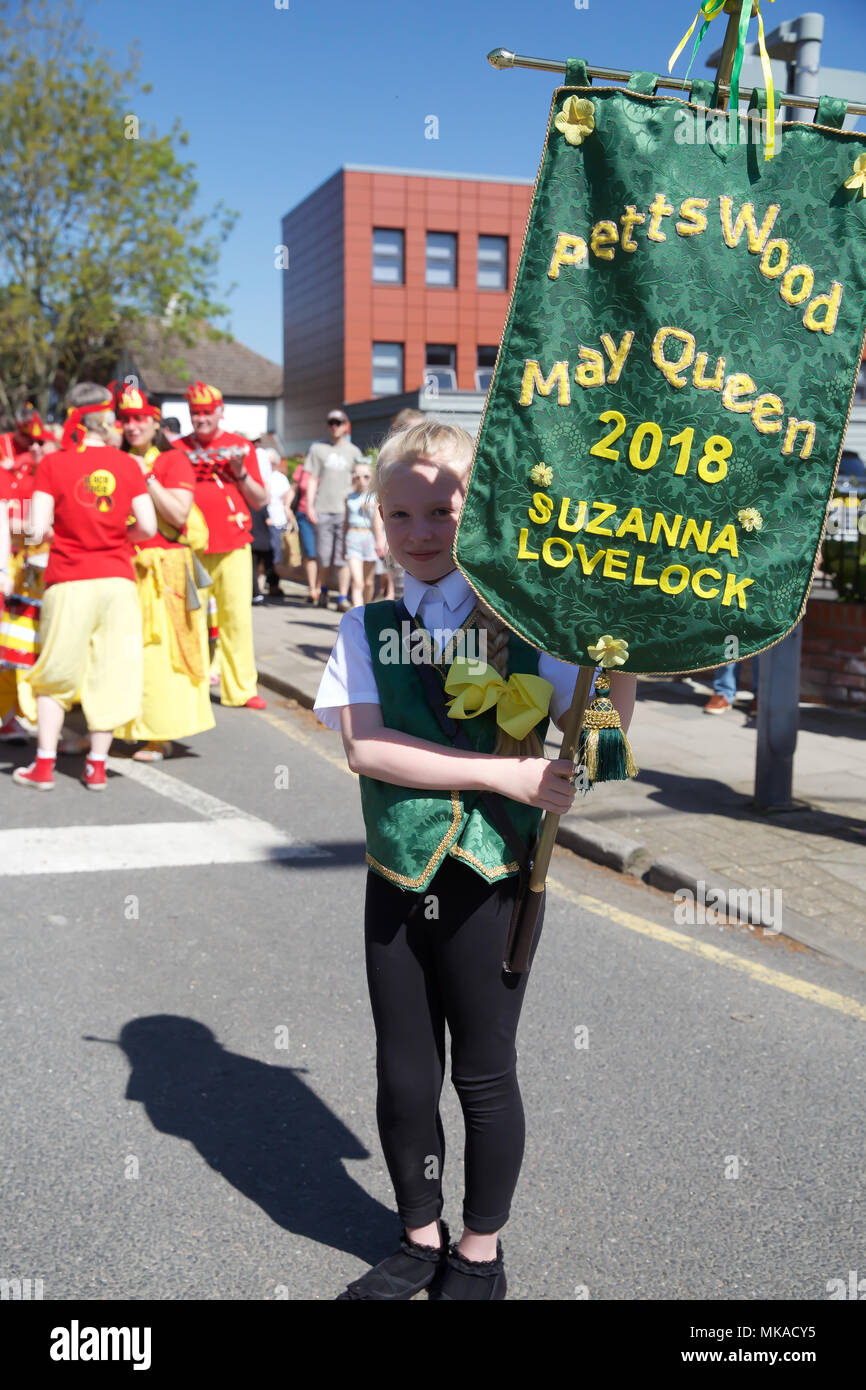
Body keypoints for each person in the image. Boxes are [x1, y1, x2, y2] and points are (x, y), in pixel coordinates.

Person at [313, 420, 636, 1300]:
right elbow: (367, 752)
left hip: (495, 885)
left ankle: (480, 1250)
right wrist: (509, 772)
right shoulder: (364, 625)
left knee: (485, 1075)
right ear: (378, 520)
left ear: (484, 510)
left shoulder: (535, 627)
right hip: (396, 881)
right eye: (400, 513)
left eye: (444, 510)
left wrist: (620, 653)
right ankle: (419, 1236)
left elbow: (605, 743)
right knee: (404, 1070)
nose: (421, 532)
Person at [12, 383, 157, 792]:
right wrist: (116, 540)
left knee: (56, 670)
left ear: (73, 416)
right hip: (117, 581)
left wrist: (29, 531)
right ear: (108, 418)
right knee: (112, 671)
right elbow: (146, 526)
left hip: (69, 578)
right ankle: (96, 765)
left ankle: (43, 767)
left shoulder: (54, 464)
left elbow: (37, 529)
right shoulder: (128, 465)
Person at [114, 383, 215, 761]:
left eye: (139, 419)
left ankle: (161, 734)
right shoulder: (116, 456)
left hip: (167, 569)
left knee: (163, 654)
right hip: (125, 565)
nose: (132, 426)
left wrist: (147, 476)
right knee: (123, 651)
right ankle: (120, 727)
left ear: (155, 423)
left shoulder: (173, 461)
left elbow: (176, 514)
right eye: (126, 419)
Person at [175, 382, 268, 709]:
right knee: (190, 620)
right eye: (195, 412)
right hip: (189, 549)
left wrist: (240, 471)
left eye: (206, 412)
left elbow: (261, 500)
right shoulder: (175, 449)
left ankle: (241, 689)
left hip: (233, 545)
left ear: (220, 412)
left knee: (237, 620)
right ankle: (192, 687)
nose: (200, 419)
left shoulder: (241, 446)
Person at [0, 405, 55, 741]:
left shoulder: (45, 468)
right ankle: (19, 713)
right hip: (11, 561)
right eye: (27, 440)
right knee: (15, 642)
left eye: (40, 442)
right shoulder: (7, 465)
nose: (33, 447)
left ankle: (16, 713)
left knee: (24, 642)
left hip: (33, 561)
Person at [305, 409, 365, 612]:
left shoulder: (354, 451)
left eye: (338, 422)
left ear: (345, 425)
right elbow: (312, 479)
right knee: (323, 555)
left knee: (343, 556)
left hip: (345, 511)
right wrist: (310, 505)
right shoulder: (318, 449)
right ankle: (322, 590)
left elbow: (361, 479)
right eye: (331, 422)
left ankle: (341, 597)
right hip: (323, 508)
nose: (334, 426)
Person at [343, 461, 377, 608]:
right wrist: (341, 546)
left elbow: (378, 522)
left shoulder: (375, 497)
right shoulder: (349, 497)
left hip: (369, 537)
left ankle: (367, 611)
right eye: (357, 477)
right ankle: (359, 617)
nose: (361, 480)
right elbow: (345, 522)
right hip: (353, 537)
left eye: (366, 476)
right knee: (358, 582)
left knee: (368, 583)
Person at [285, 459, 319, 603]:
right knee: (310, 552)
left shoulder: (327, 468)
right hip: (304, 515)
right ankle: (313, 589)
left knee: (324, 554)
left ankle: (320, 587)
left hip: (325, 515)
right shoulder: (302, 469)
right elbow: (293, 489)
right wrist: (287, 507)